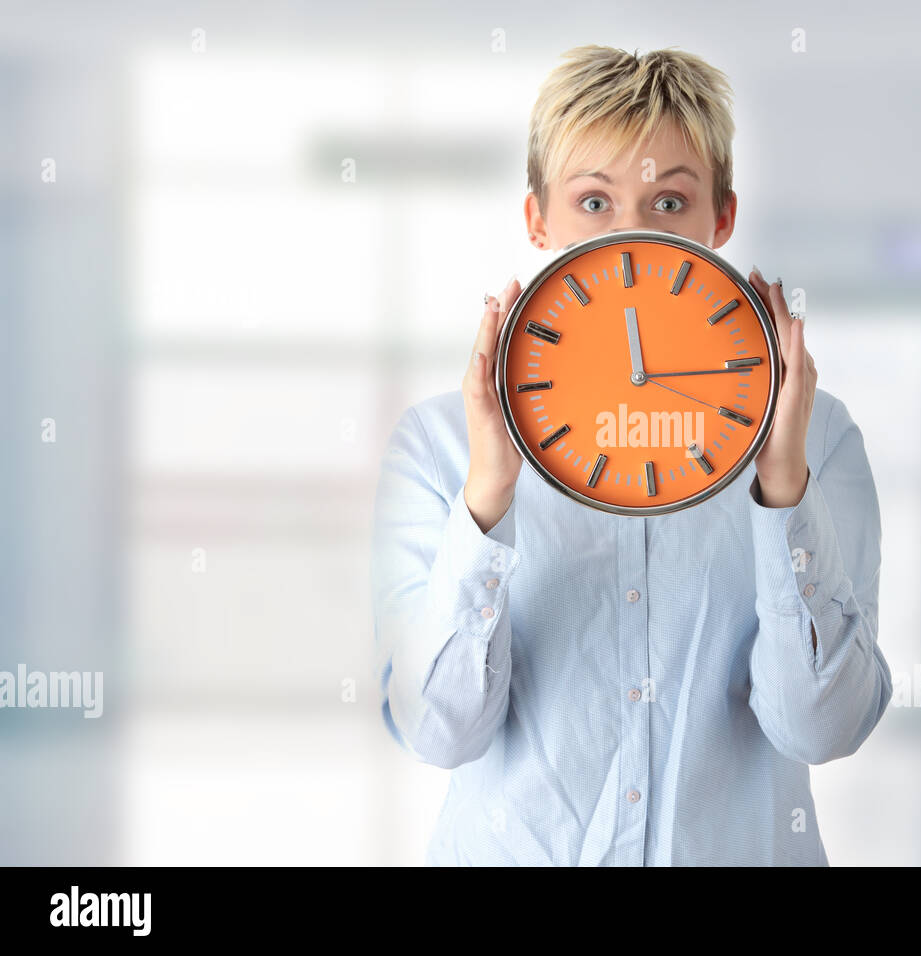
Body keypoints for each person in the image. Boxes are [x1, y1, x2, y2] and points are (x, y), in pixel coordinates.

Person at [370, 44, 891, 866]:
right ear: (538, 219)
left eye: (670, 200)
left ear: (720, 218)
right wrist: (489, 500)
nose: (634, 234)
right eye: (593, 201)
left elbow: (820, 730)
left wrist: (782, 491)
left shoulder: (817, 434)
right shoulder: (441, 446)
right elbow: (439, 733)